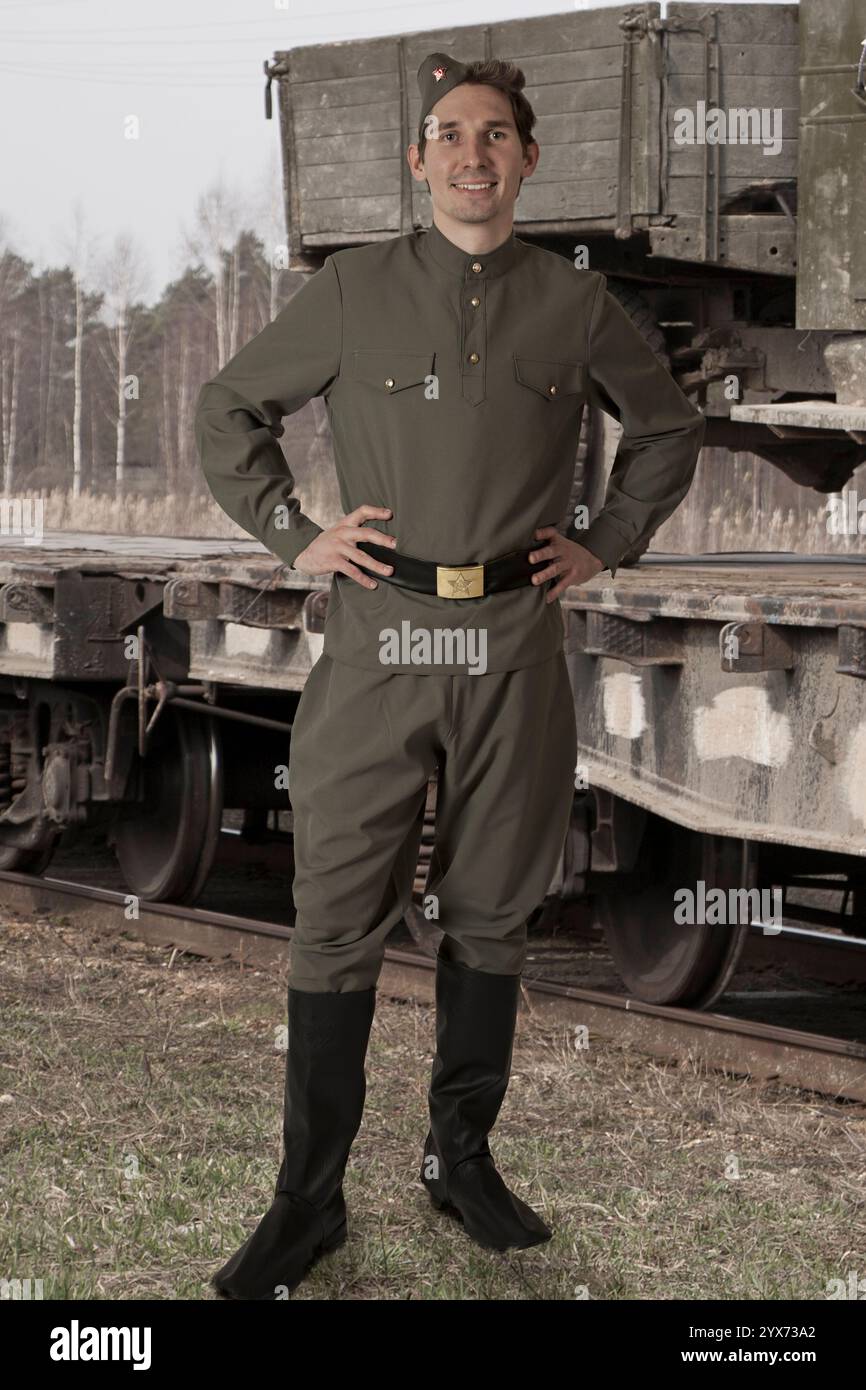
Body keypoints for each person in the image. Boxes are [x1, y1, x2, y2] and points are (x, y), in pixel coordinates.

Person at [194, 49, 706, 1300]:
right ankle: (305, 1204)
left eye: (493, 134)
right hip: (378, 640)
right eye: (447, 134)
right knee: (334, 918)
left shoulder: (571, 302)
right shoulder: (355, 289)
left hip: (514, 642)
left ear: (528, 159)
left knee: (491, 909)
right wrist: (291, 533)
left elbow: (666, 428)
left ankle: (458, 1161)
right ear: (416, 161)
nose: (471, 153)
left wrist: (605, 542)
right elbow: (225, 411)